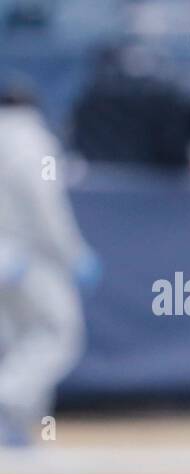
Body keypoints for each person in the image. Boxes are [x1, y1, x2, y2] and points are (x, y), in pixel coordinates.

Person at [0, 79, 97, 448]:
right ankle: (7, 401)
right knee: (59, 335)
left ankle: (15, 430)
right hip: (30, 258)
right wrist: (72, 254)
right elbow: (45, 206)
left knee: (16, 341)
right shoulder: (30, 141)